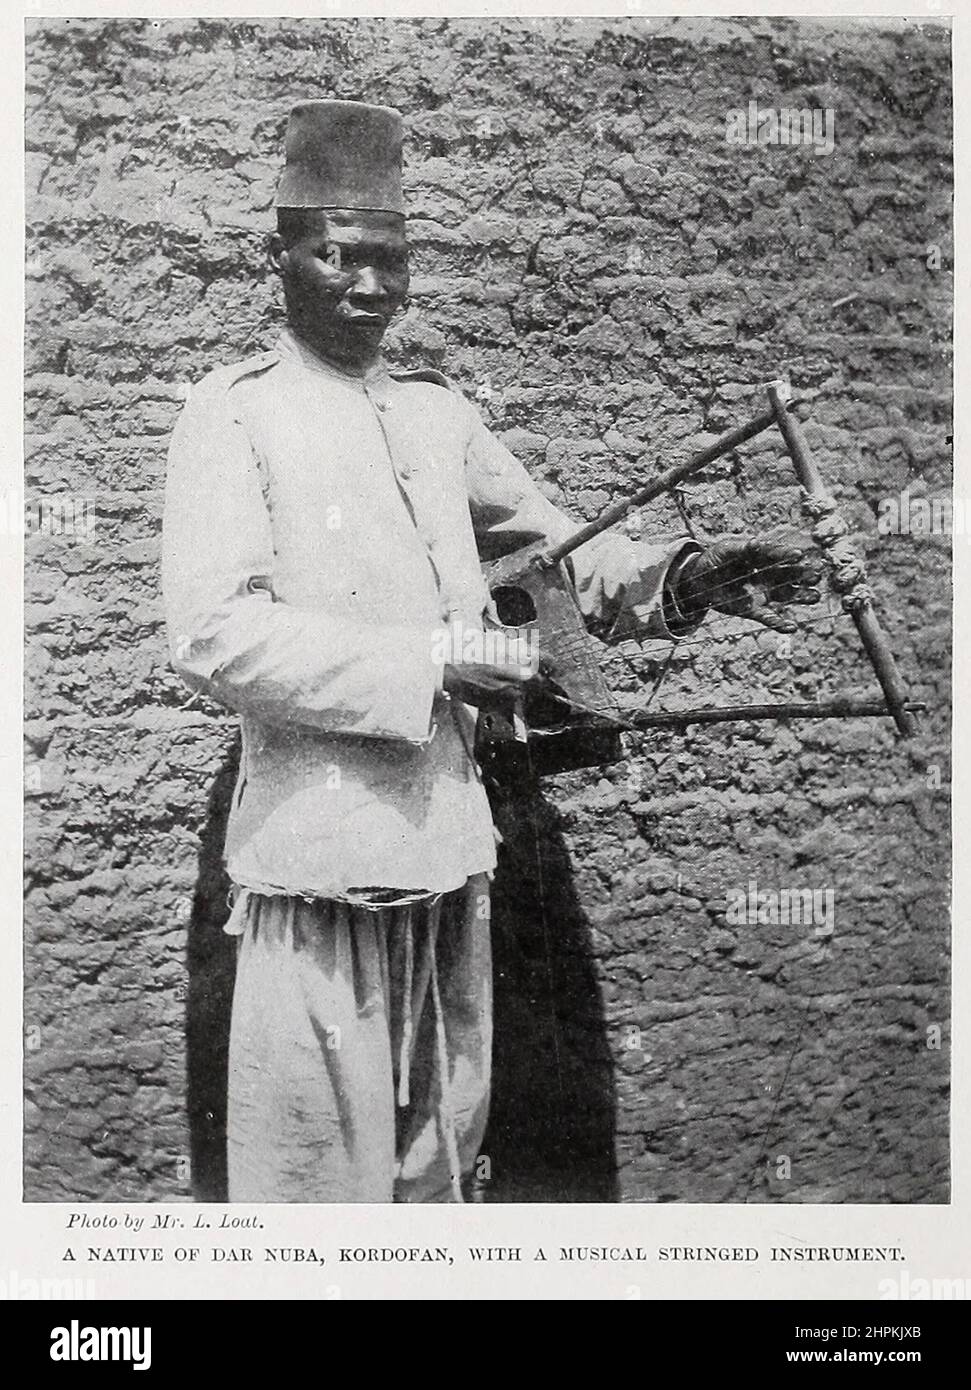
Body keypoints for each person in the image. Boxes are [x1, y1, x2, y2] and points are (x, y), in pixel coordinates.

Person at [162, 100, 820, 1202]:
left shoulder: (435, 415)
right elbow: (213, 632)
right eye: (338, 257)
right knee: (315, 1203)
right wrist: (427, 663)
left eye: (391, 261)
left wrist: (685, 575)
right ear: (274, 257)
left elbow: (556, 553)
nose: (370, 288)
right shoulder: (233, 415)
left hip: (450, 866)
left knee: (439, 1192)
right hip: (318, 878)